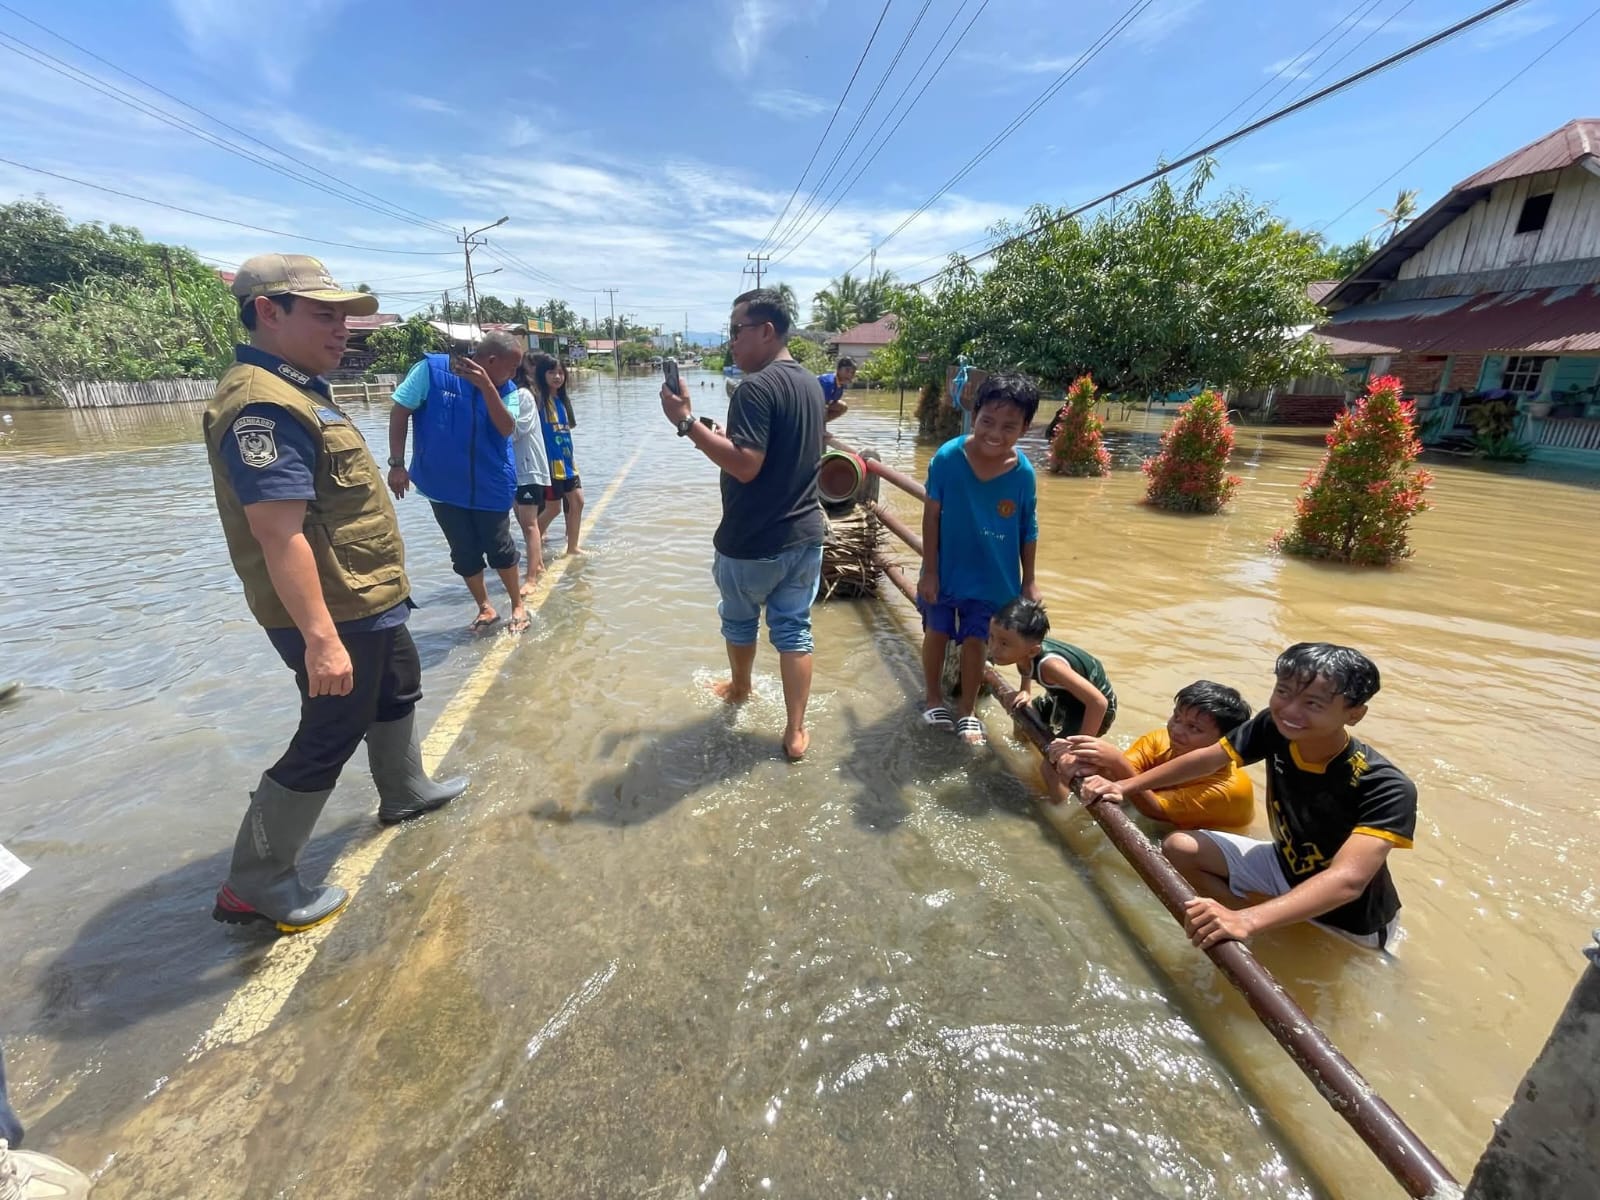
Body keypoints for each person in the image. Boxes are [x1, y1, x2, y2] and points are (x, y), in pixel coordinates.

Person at [202, 254, 467, 933]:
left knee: (397, 685)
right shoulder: (262, 401)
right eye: (324, 315)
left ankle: (404, 791)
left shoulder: (301, 389)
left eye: (345, 316)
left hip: (367, 595)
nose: (342, 330)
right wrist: (320, 640)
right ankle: (255, 883)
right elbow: (277, 531)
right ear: (269, 312)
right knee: (330, 730)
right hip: (334, 608)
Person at [1082, 643, 1417, 952]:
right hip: (1284, 865)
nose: (1290, 710)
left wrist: (1247, 920)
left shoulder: (1385, 786)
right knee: (1179, 848)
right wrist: (1126, 786)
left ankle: (1259, 925)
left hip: (1348, 918)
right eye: (1283, 692)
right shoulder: (1275, 727)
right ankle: (1265, 930)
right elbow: (1208, 758)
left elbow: (1348, 881)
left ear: (1354, 714)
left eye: (1313, 704)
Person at [659, 288, 825, 762]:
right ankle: (795, 731)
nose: (731, 341)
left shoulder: (755, 386)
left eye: (737, 331)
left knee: (739, 620)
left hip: (753, 538)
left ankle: (740, 687)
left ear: (766, 331)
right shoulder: (810, 384)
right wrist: (714, 430)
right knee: (794, 631)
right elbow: (778, 451)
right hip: (805, 534)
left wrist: (686, 423)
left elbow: (747, 465)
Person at [917, 374, 1041, 747]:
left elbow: (1028, 528)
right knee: (936, 632)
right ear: (974, 414)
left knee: (977, 641)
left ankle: (967, 711)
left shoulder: (1024, 474)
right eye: (987, 421)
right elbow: (931, 516)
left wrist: (1029, 579)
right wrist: (930, 570)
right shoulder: (948, 458)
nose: (995, 433)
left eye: (1009, 426)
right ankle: (934, 699)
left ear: (1025, 428)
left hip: (994, 577)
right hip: (948, 569)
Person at [387, 331, 529, 633]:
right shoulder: (431, 371)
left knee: (500, 547)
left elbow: (506, 428)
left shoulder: (507, 388)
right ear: (492, 359)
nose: (515, 373)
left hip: (489, 482)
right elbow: (400, 410)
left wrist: (488, 386)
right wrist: (397, 464)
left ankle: (518, 604)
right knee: (463, 552)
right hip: (443, 486)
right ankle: (485, 607)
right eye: (512, 366)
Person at [1051, 681, 1254, 828]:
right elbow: (1118, 777)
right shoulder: (1159, 740)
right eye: (1176, 717)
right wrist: (1081, 756)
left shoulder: (1229, 789)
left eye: (1194, 728)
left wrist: (1115, 760)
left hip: (1204, 832)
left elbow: (1154, 811)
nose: (1176, 730)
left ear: (1225, 741)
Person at [985, 597, 1115, 797]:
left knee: (1052, 766)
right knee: (1023, 719)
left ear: (1033, 650)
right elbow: (1025, 666)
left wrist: (1077, 750)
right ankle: (1029, 756)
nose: (993, 648)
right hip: (1064, 698)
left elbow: (1098, 702)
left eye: (1004, 643)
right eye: (992, 637)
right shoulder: (1024, 652)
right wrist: (1025, 690)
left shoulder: (1050, 666)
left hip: (1091, 708)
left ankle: (1058, 807)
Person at [530, 354, 585, 556]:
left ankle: (573, 548)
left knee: (578, 502)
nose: (557, 377)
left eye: (561, 372)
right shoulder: (538, 400)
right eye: (552, 372)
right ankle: (533, 543)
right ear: (541, 374)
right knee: (553, 509)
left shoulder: (562, 400)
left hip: (568, 463)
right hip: (550, 465)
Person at [510, 352, 552, 596]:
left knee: (529, 524)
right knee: (523, 521)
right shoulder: (510, 396)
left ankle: (531, 578)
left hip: (529, 469)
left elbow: (516, 430)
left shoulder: (522, 395)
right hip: (515, 471)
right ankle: (540, 566)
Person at [818, 356, 856, 423]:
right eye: (847, 371)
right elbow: (822, 406)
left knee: (842, 407)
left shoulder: (839, 385)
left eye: (852, 372)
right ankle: (819, 428)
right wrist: (823, 431)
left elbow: (831, 403)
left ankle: (818, 425)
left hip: (817, 405)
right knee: (824, 407)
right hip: (807, 404)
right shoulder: (828, 383)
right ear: (838, 370)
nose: (850, 375)